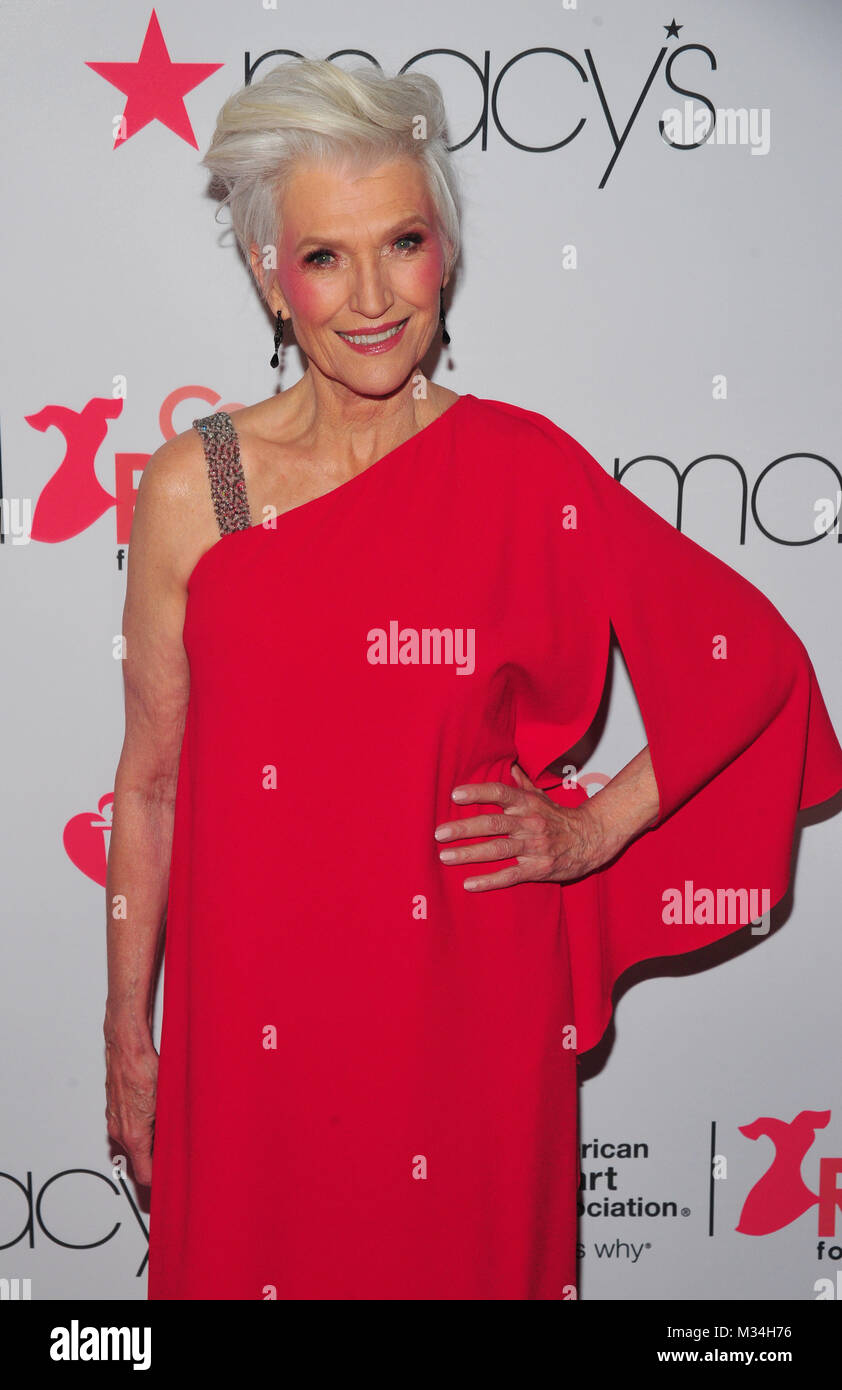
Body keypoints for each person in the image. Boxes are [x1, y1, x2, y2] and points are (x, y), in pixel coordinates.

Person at [104, 58, 842, 1300]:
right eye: (326, 257)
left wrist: (597, 823)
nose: (373, 295)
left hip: (462, 1008)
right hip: (252, 1033)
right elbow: (151, 789)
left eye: (403, 240)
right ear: (266, 277)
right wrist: (129, 1040)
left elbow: (750, 664)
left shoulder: (522, 471)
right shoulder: (196, 490)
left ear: (443, 248)